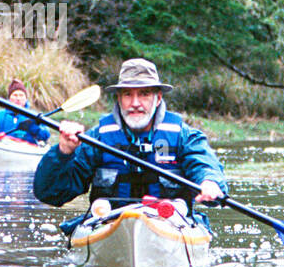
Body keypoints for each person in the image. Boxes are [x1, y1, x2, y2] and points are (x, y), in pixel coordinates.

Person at [33, 58, 227, 217]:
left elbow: (204, 163)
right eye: (127, 94)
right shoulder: (97, 139)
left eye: (143, 94)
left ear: (158, 98)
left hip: (171, 222)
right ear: (119, 98)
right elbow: (50, 194)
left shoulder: (185, 136)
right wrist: (63, 153)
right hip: (110, 222)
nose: (135, 103)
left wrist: (209, 182)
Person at [0, 79, 51, 143]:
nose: (18, 98)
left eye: (21, 95)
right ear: (9, 98)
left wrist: (34, 127)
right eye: (15, 95)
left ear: (26, 98)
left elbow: (45, 136)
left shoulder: (35, 116)